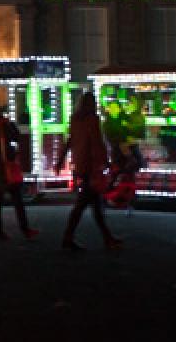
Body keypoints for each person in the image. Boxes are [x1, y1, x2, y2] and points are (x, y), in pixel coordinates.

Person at [56, 93, 122, 251]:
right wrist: (106, 162)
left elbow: (69, 141)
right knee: (84, 205)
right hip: (91, 167)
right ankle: (69, 238)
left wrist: (60, 160)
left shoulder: (75, 119)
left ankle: (107, 238)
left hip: (80, 165)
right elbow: (96, 142)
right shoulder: (93, 119)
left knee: (94, 205)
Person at [0, 100, 38, 241]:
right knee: (17, 199)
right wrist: (8, 122)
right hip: (5, 166)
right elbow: (15, 135)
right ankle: (25, 229)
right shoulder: (1, 124)